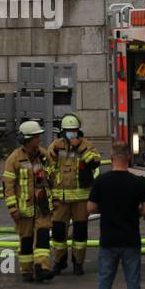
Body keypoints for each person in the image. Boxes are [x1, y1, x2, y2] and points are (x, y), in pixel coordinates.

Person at [89, 143, 145, 289]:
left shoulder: (101, 181)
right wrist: (138, 213)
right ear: (128, 158)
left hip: (108, 239)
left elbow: (91, 208)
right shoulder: (138, 182)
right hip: (130, 239)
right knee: (133, 281)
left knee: (105, 281)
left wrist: (106, 210)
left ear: (112, 157)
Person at [46, 114, 103, 276]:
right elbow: (48, 166)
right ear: (63, 132)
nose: (72, 133)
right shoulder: (56, 146)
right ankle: (59, 262)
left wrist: (80, 147)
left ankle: (78, 263)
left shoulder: (87, 145)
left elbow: (95, 162)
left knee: (79, 233)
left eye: (74, 130)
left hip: (80, 198)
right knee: (58, 233)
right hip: (61, 198)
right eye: (68, 131)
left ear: (79, 130)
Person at [2, 120, 54, 282]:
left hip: (42, 205)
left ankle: (42, 267)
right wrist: (12, 208)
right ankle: (26, 270)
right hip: (24, 208)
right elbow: (8, 186)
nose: (39, 140)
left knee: (44, 234)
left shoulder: (44, 155)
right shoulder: (14, 159)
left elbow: (53, 177)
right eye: (36, 137)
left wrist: (48, 173)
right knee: (26, 239)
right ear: (28, 139)